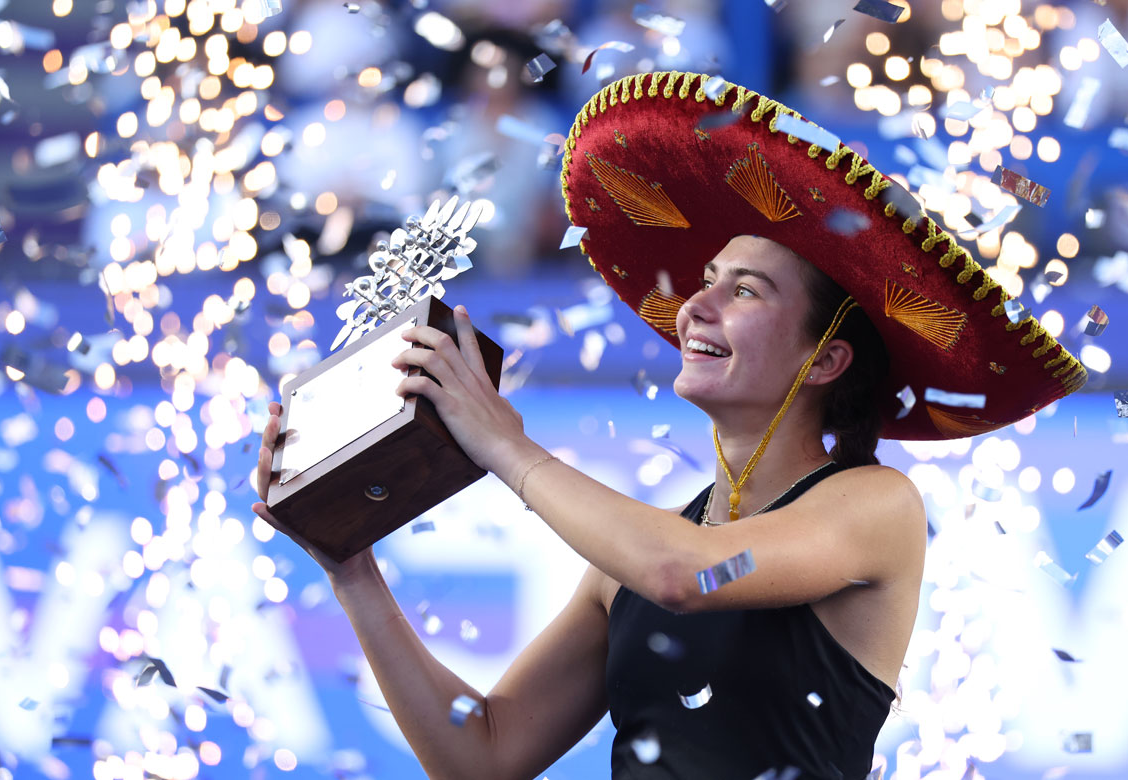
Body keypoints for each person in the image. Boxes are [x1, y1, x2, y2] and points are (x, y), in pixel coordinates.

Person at [253, 72, 1087, 779]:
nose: (695, 303)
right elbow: (481, 754)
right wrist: (352, 569)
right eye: (708, 278)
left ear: (825, 362)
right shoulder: (642, 553)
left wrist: (502, 443)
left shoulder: (875, 507)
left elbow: (687, 578)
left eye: (746, 290)